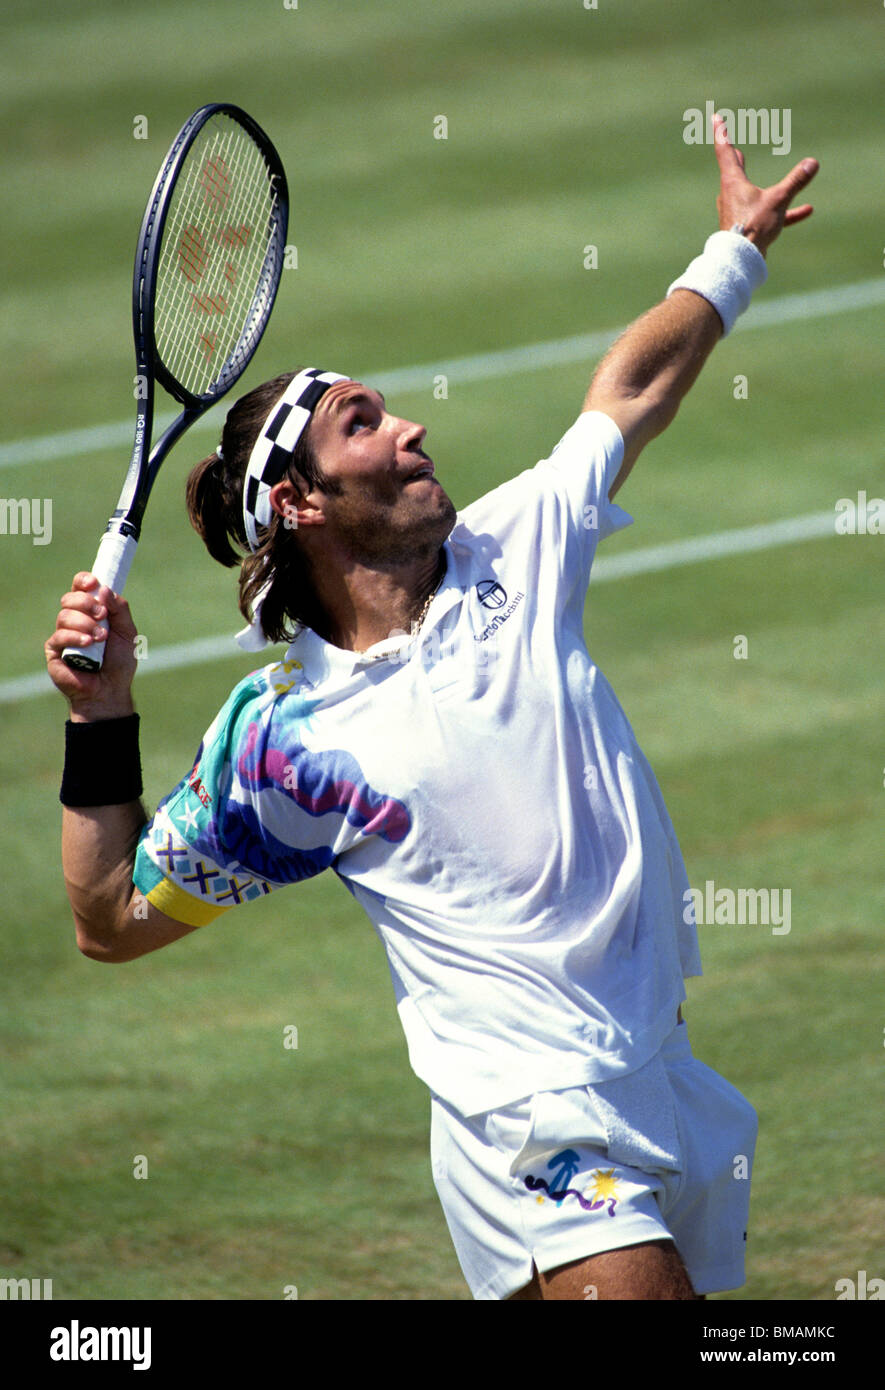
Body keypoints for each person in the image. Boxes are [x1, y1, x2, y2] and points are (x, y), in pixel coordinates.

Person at [46, 117, 818, 1301]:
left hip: (659, 1066)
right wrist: (102, 715)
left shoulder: (513, 548)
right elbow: (108, 916)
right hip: (528, 1121)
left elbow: (633, 388)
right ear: (300, 504)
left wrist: (732, 252)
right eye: (364, 422)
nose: (409, 427)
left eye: (388, 408)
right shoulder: (285, 745)